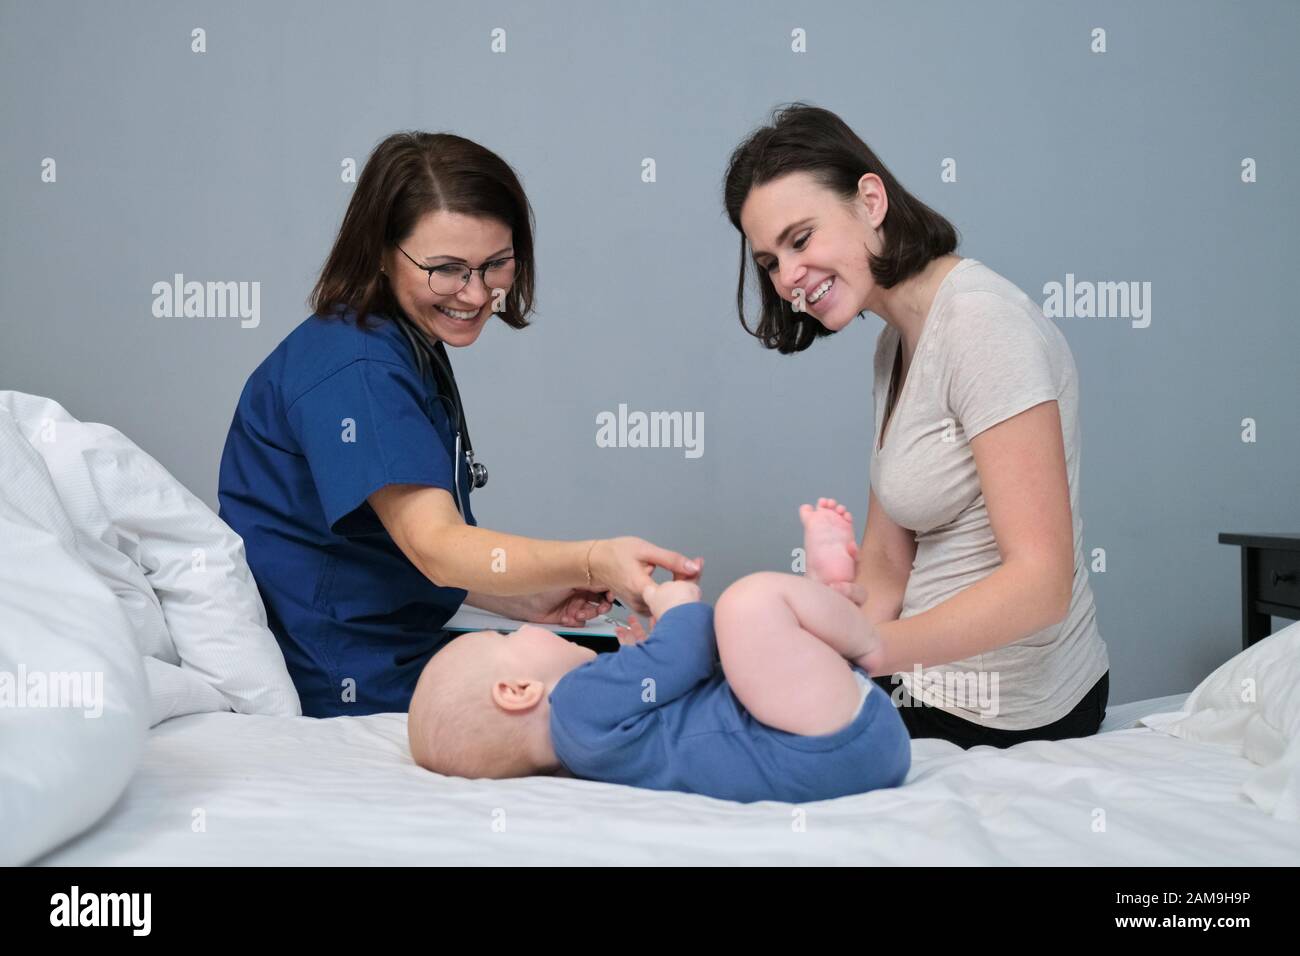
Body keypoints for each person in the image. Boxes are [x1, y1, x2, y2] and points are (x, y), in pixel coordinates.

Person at [218, 131, 699, 717]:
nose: (476, 294)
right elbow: (435, 547)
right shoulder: (357, 370)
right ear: (379, 251)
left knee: (641, 679)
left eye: (496, 263)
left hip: (396, 643)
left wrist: (524, 601)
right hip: (348, 676)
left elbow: (378, 547)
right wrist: (595, 558)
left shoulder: (396, 340)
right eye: (447, 269)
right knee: (654, 701)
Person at [721, 103, 1109, 748]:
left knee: (738, 746)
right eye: (768, 261)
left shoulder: (983, 324)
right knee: (732, 707)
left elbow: (1042, 584)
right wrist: (827, 640)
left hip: (1009, 710)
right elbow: (884, 564)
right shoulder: (896, 343)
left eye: (800, 239)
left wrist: (869, 650)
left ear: (870, 200)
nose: (788, 277)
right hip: (915, 681)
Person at [407, 499, 911, 804]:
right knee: (744, 605)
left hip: (843, 751)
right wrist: (674, 611)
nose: (518, 629)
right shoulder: (575, 704)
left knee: (747, 660)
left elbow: (678, 700)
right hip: (822, 743)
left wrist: (643, 656)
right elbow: (690, 654)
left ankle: (822, 605)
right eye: (507, 637)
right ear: (517, 691)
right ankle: (861, 633)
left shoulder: (585, 752)